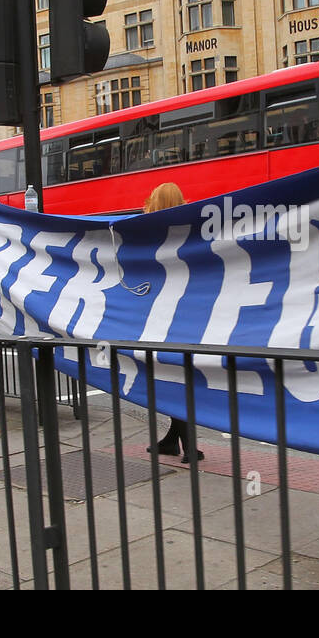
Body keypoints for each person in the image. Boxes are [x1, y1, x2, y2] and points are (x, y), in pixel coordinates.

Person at [141, 183, 204, 463]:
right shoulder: (190, 231)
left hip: (159, 316)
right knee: (179, 379)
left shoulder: (147, 233)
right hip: (187, 315)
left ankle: (188, 447)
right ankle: (172, 441)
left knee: (174, 380)